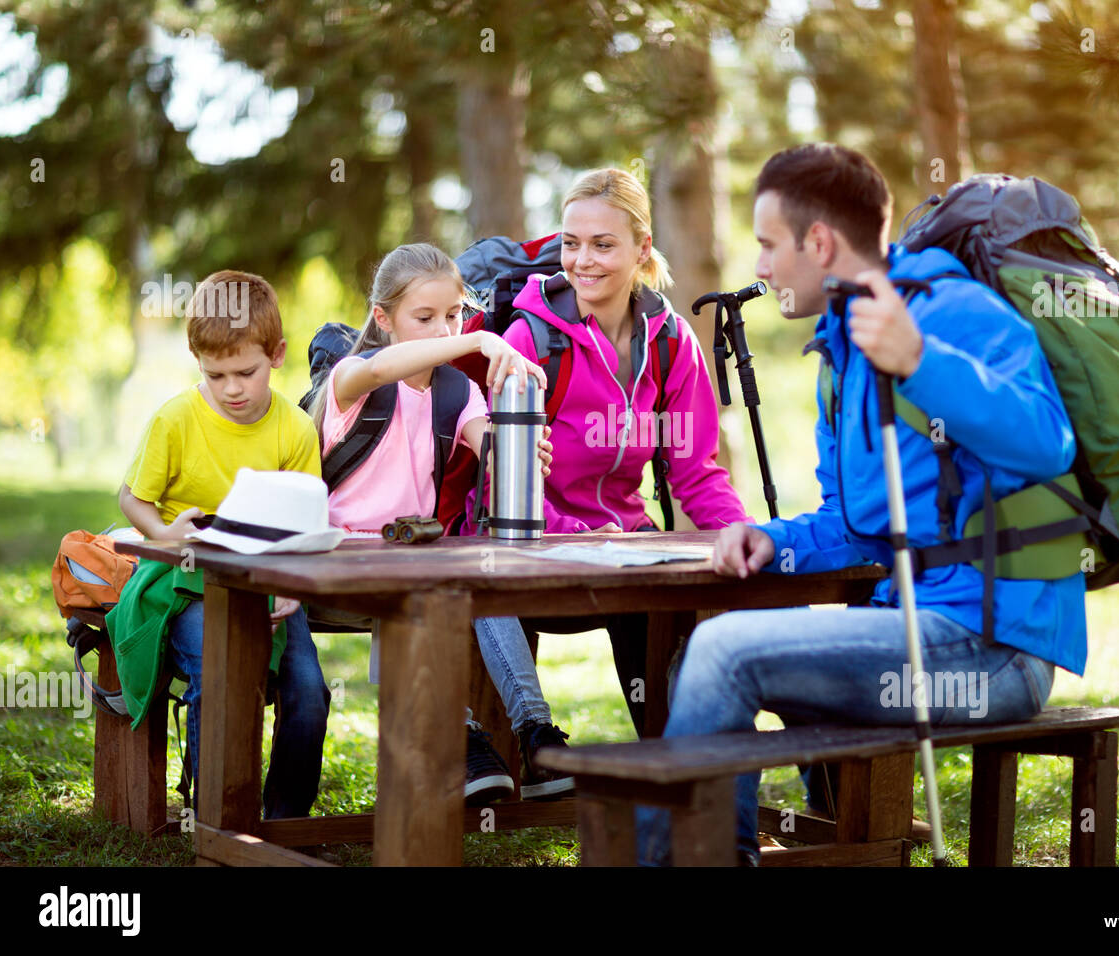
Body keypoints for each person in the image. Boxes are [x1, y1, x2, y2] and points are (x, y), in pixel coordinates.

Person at [636, 143, 1087, 865]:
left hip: (996, 652)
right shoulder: (840, 353)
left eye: (767, 244)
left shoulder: (952, 313)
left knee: (724, 652)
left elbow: (1048, 444)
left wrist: (921, 363)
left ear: (819, 242)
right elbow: (856, 525)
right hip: (911, 633)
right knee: (706, 646)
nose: (759, 268)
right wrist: (770, 540)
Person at [306, 242, 575, 802]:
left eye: (453, 315)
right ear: (383, 318)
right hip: (331, 568)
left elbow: (492, 451)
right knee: (421, 590)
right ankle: (457, 735)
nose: (442, 329)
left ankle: (535, 733)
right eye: (423, 318)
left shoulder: (461, 392)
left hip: (413, 555)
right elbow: (382, 366)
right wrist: (478, 337)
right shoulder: (352, 377)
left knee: (480, 576)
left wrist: (519, 451)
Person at [502, 167, 750, 734]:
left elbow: (696, 473)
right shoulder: (531, 339)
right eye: (571, 243)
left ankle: (687, 781)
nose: (581, 260)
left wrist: (742, 534)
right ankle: (668, 780)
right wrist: (576, 534)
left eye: (602, 245)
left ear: (642, 249)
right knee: (646, 601)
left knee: (706, 626)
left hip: (625, 548)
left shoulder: (669, 341)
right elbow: (504, 486)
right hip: (530, 547)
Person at [112, 270, 330, 819]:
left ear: (277, 355)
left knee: (309, 692)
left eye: (245, 372)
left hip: (272, 583)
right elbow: (132, 498)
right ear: (198, 362)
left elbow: (305, 522)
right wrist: (163, 533)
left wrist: (289, 589)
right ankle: (216, 818)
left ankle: (286, 823)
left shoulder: (295, 430)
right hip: (189, 583)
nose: (232, 388)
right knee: (222, 670)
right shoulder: (177, 418)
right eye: (216, 375)